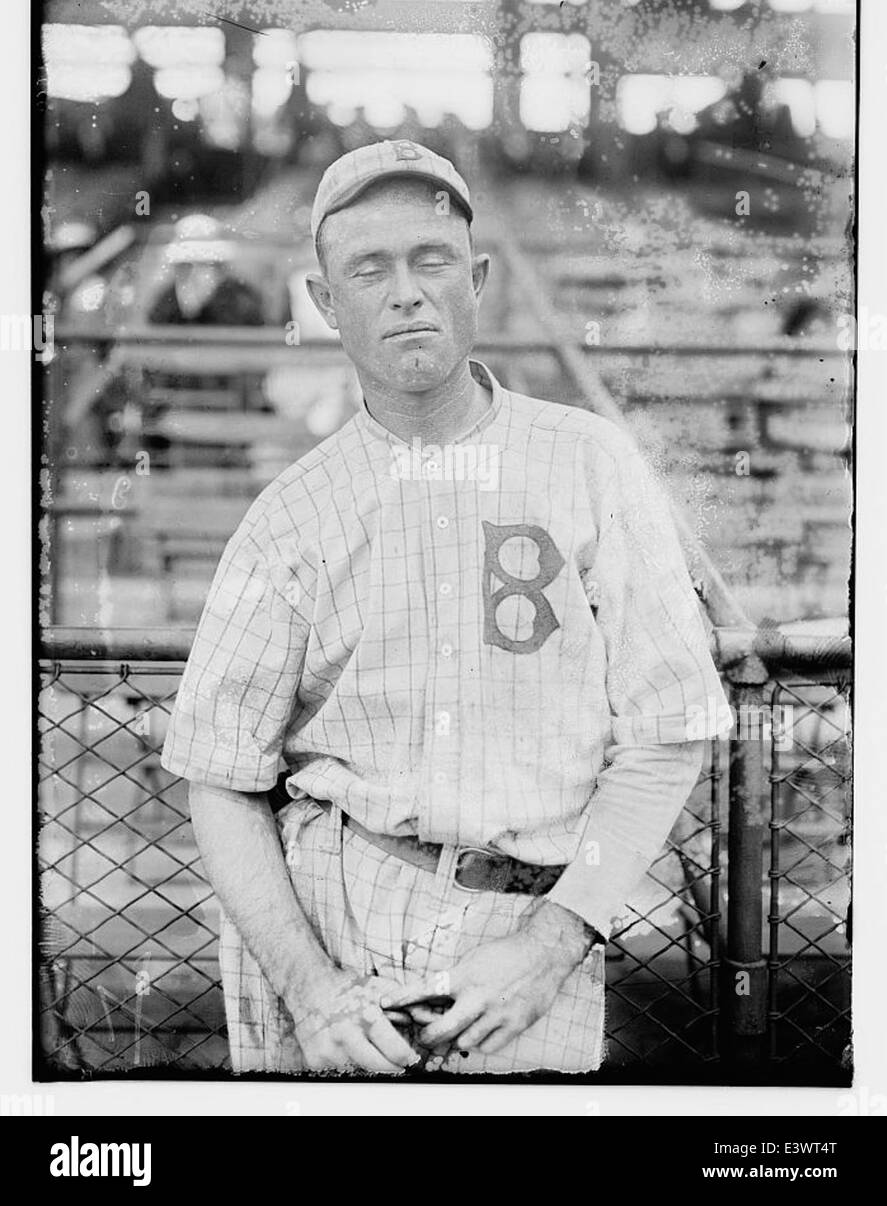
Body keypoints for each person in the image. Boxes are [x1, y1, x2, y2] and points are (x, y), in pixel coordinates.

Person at [161, 139, 731, 1075]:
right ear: (322, 301)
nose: (406, 292)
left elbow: (670, 727)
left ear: (478, 279)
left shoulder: (588, 464)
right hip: (332, 914)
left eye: (431, 261)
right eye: (367, 269)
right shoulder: (290, 515)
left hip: (530, 930)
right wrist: (310, 989)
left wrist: (554, 944)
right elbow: (219, 773)